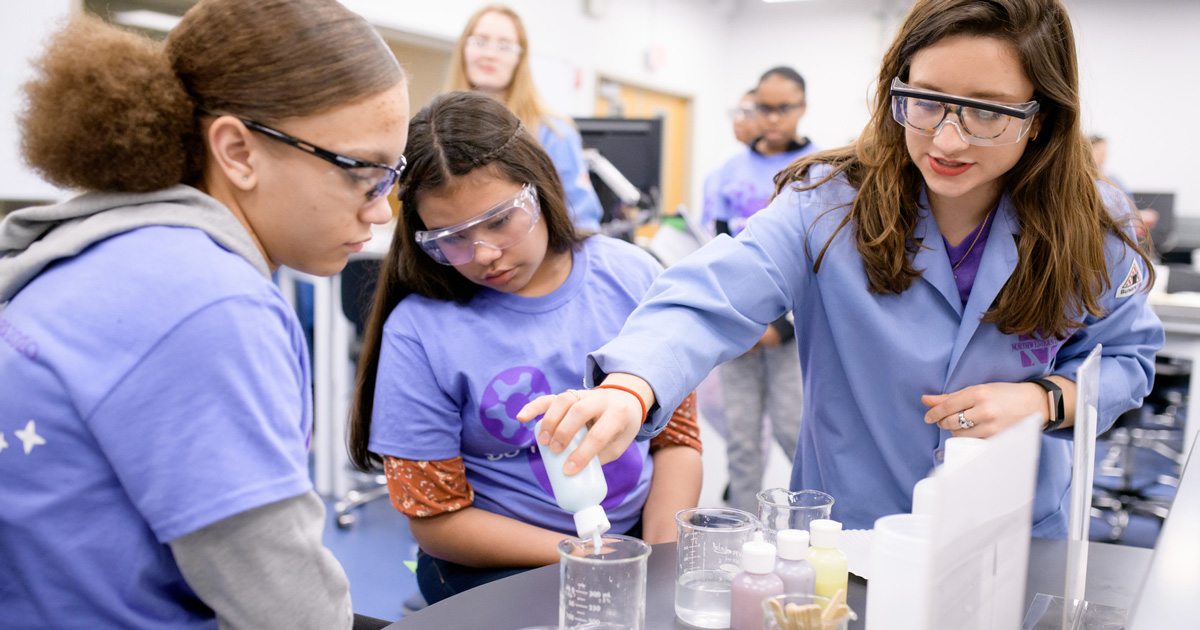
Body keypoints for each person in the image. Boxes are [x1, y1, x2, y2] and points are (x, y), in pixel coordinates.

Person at [524, 0, 1164, 539]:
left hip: (1016, 532)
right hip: (850, 537)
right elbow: (713, 293)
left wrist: (1046, 398)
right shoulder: (828, 203)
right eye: (924, 100)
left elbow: (1127, 361)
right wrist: (630, 386)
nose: (945, 140)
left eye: (987, 112)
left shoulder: (1091, 220)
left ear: (1041, 118)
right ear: (896, 87)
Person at [0, 3, 407, 629]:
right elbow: (289, 613)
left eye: (392, 177)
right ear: (238, 151)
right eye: (363, 172)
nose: (381, 211)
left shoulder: (99, 248)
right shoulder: (208, 305)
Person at [346, 91, 702, 605]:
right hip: (495, 563)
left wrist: (658, 560)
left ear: (540, 188)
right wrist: (585, 554)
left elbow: (678, 439)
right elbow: (435, 519)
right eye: (452, 237)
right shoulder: (420, 330)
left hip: (633, 548)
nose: (485, 254)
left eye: (498, 221)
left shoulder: (630, 274)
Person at [703, 67, 816, 513]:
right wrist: (741, 320)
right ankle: (742, 531)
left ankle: (814, 517)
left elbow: (822, 258)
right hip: (740, 327)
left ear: (802, 108)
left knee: (794, 427)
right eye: (762, 108)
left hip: (793, 329)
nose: (772, 118)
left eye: (782, 108)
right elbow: (719, 250)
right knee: (742, 436)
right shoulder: (728, 174)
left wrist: (782, 326)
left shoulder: (821, 168)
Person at [444, 4, 604, 231]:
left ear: (520, 57)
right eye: (479, 41)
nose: (490, 54)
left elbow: (583, 223)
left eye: (504, 45)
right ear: (463, 49)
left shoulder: (554, 133)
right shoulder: (440, 131)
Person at [1090, 135, 1158, 241]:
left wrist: (1140, 217)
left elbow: (1128, 210)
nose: (1103, 156)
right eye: (1099, 151)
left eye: (1105, 152)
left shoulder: (1114, 181)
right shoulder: (1087, 185)